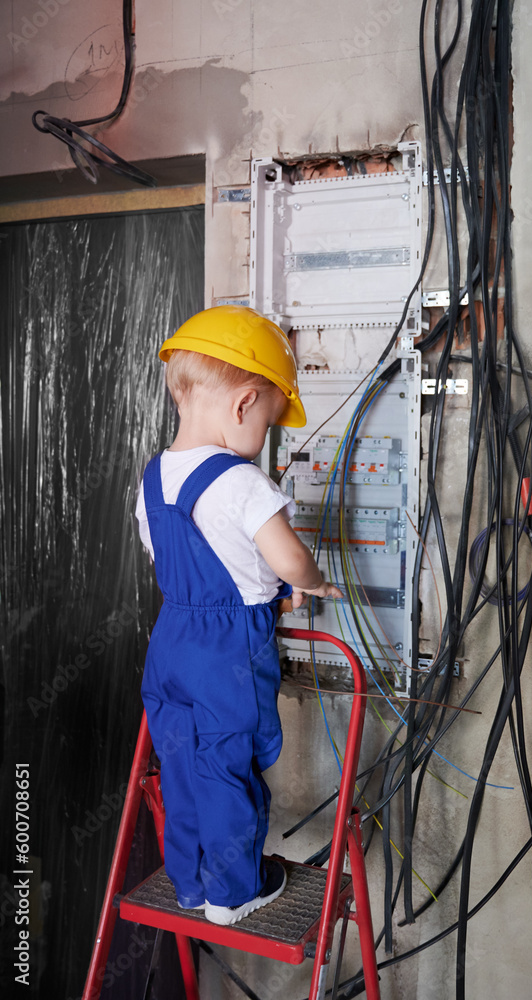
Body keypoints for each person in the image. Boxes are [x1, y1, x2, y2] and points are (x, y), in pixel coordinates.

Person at [135, 305, 342, 926]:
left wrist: (265, 588)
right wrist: (310, 582)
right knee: (228, 766)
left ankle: (191, 884)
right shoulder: (240, 480)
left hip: (171, 642)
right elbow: (288, 557)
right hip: (226, 653)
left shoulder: (152, 480)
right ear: (245, 403)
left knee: (183, 762)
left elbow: (195, 563)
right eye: (272, 422)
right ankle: (233, 892)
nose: (268, 436)